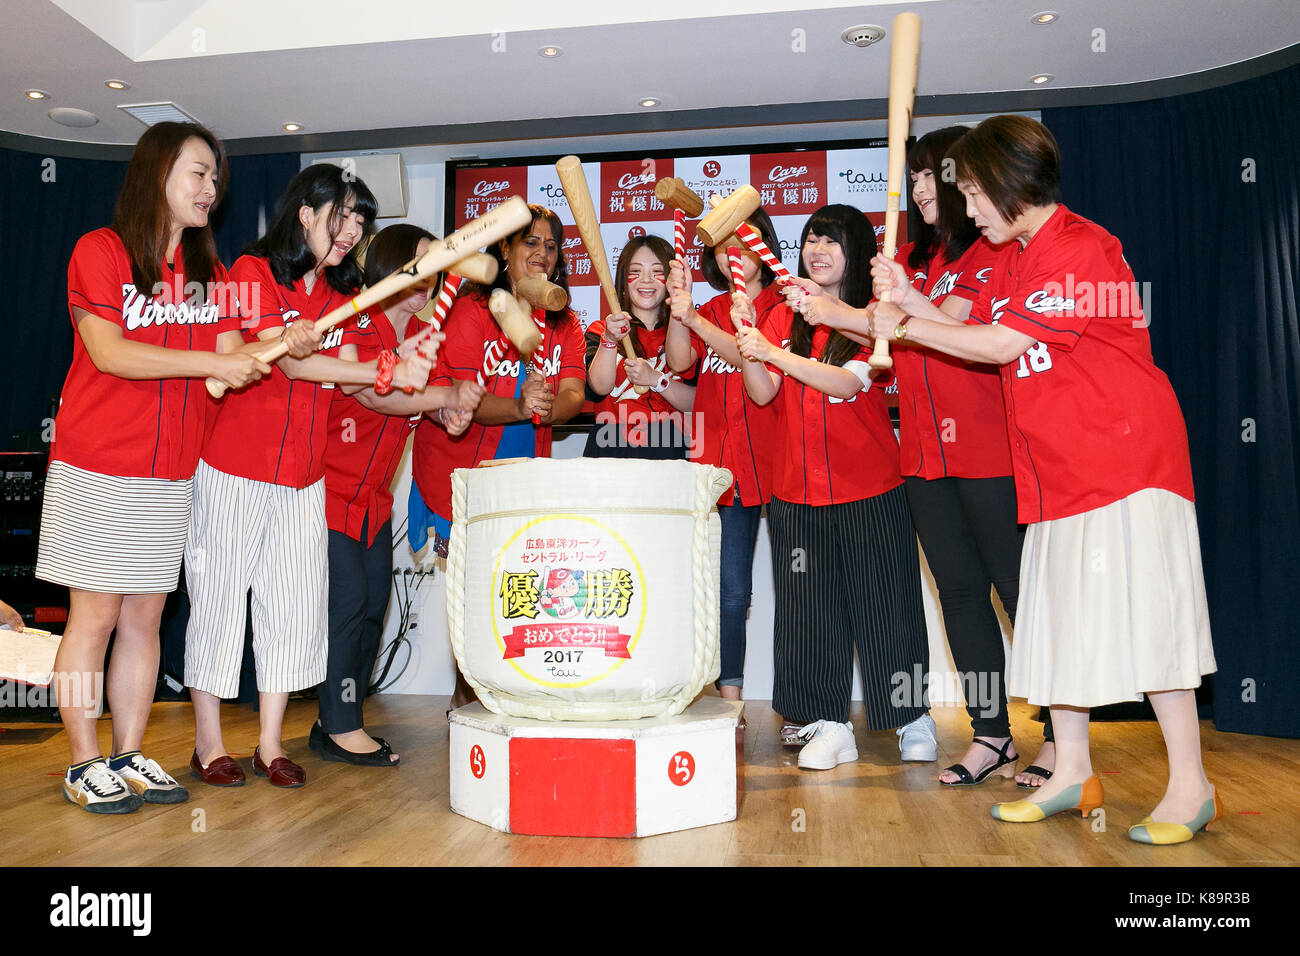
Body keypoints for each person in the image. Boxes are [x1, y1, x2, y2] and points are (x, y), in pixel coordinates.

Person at [826, 115, 1217, 843]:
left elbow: (998, 342)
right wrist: (903, 298)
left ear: (1008, 184)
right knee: (1057, 623)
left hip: (1125, 463)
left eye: (972, 193)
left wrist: (903, 324)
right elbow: (952, 317)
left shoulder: (1081, 249)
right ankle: (1069, 767)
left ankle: (1192, 785)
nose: (966, 209)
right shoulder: (1013, 255)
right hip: (1054, 471)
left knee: (1152, 622)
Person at [804, 130, 1052, 787]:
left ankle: (1058, 738)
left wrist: (845, 312)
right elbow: (890, 324)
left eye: (932, 174)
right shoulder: (914, 257)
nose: (920, 188)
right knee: (961, 599)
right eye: (912, 177)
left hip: (991, 453)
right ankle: (992, 735)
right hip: (924, 460)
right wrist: (855, 302)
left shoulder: (993, 255)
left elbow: (946, 326)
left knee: (1020, 596)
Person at [36, 121, 270, 813]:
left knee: (144, 617)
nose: (211, 188)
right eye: (198, 173)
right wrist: (215, 362)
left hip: (171, 472)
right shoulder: (102, 252)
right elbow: (111, 352)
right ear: (157, 174)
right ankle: (83, 760)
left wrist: (283, 340)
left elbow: (234, 363)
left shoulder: (209, 277)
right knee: (93, 617)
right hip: (98, 464)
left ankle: (130, 753)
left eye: (215, 177)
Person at [185, 165, 431, 789]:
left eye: (359, 220)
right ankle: (208, 743)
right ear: (304, 212)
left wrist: (393, 366)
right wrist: (301, 343)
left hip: (303, 477)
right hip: (233, 469)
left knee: (291, 609)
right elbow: (290, 364)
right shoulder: (251, 272)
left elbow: (347, 368)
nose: (351, 231)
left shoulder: (339, 298)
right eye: (342, 215)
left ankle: (271, 744)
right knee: (219, 602)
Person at [735, 204, 933, 769]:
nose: (816, 250)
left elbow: (846, 383)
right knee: (808, 612)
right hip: (797, 495)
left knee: (886, 606)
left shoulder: (874, 317)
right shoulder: (782, 318)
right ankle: (827, 723)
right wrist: (751, 340)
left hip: (870, 486)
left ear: (857, 251)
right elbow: (764, 393)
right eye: (810, 240)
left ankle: (910, 716)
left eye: (830, 241)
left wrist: (773, 352)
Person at [313, 223, 484, 766]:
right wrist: (441, 394)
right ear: (390, 266)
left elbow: (414, 403)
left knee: (371, 609)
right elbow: (367, 392)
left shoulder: (420, 336)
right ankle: (342, 726)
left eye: (436, 267)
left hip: (373, 499)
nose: (428, 279)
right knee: (346, 608)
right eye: (419, 264)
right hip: (329, 491)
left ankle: (333, 718)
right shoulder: (358, 320)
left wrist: (448, 409)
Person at [407, 204, 585, 709]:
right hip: (464, 464)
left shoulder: (563, 318)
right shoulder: (471, 309)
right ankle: (469, 694)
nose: (542, 254)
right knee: (472, 583)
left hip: (524, 469)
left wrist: (547, 408)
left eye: (551, 246)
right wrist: (518, 405)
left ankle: (508, 689)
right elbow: (463, 398)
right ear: (503, 250)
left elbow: (573, 387)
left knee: (515, 583)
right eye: (530, 242)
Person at [663, 209, 782, 702]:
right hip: (717, 468)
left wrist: (695, 319)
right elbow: (678, 361)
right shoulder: (707, 308)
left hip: (782, 466)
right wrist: (679, 310)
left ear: (764, 245)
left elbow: (752, 363)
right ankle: (729, 696)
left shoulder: (785, 304)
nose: (730, 251)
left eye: (741, 240)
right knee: (730, 593)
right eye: (718, 243)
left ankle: (805, 703)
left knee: (800, 588)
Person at [585, 235, 696, 459]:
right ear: (623, 281)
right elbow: (599, 387)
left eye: (657, 271)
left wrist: (656, 379)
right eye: (636, 271)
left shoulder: (686, 333)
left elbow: (696, 401)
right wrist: (609, 338)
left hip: (669, 450)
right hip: (610, 449)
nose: (646, 280)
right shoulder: (601, 329)